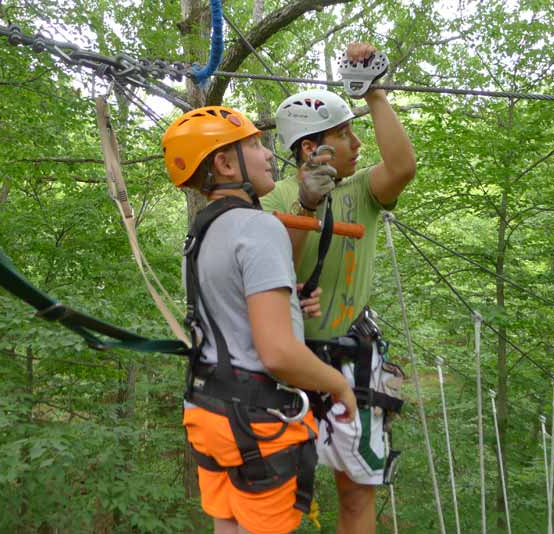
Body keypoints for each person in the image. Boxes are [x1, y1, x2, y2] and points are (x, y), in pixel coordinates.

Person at [162, 105, 357, 534]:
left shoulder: (200, 234)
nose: (269, 154)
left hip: (208, 411)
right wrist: (339, 385)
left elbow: (232, 308)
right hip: (259, 420)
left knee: (227, 527)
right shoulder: (258, 227)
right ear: (225, 163)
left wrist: (290, 301)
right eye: (253, 144)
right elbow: (277, 353)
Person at [261, 43, 416, 534]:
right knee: (278, 497)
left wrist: (374, 94)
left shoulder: (364, 190)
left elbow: (403, 167)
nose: (357, 142)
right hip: (289, 358)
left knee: (356, 493)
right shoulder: (277, 197)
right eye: (345, 134)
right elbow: (271, 265)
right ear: (311, 148)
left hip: (351, 354)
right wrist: (305, 205)